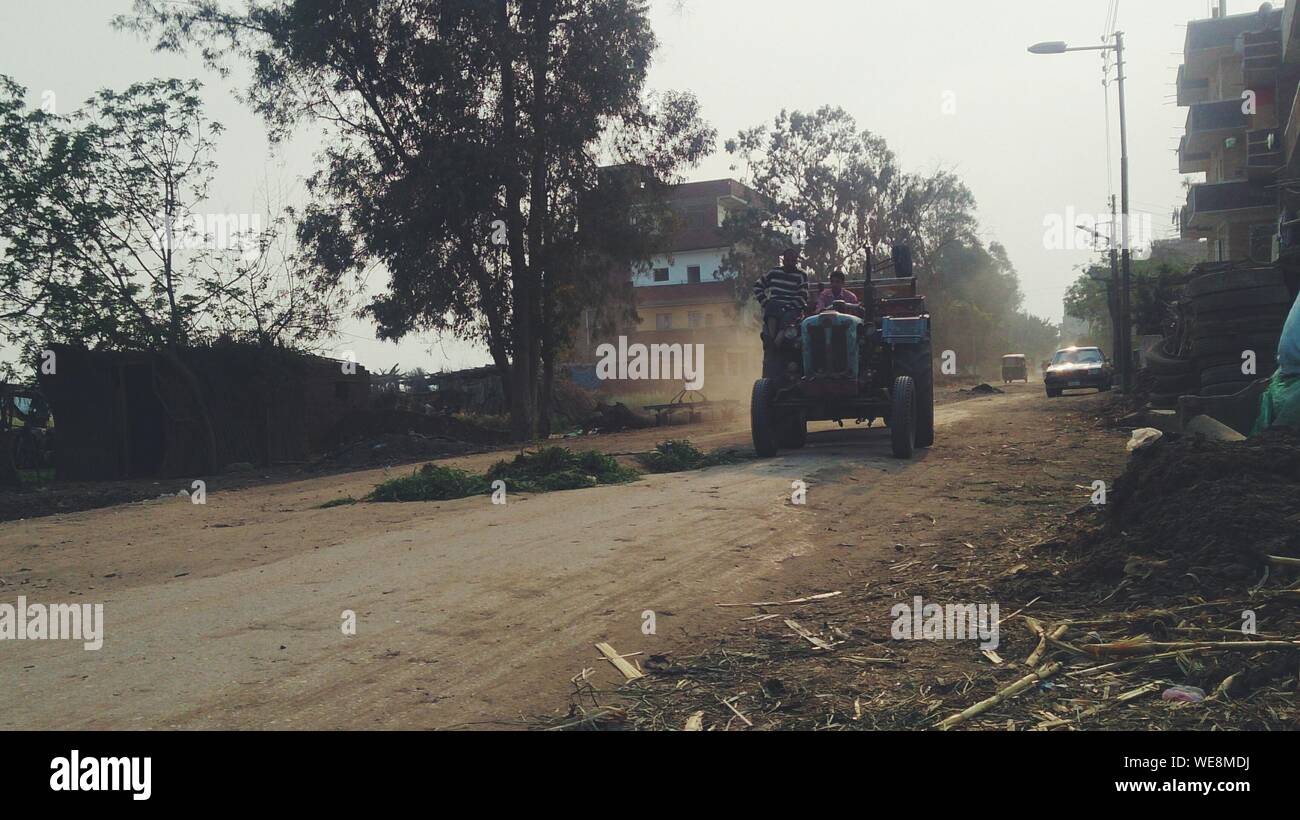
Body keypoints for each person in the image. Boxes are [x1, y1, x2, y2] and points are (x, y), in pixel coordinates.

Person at [752, 247, 809, 313]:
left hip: (792, 309)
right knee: (771, 318)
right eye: (787, 260)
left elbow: (802, 296)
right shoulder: (774, 272)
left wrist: (788, 307)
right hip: (774, 306)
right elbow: (757, 286)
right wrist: (765, 302)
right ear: (783, 261)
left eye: (793, 261)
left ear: (796, 262)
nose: (790, 263)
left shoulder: (801, 275)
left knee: (787, 320)